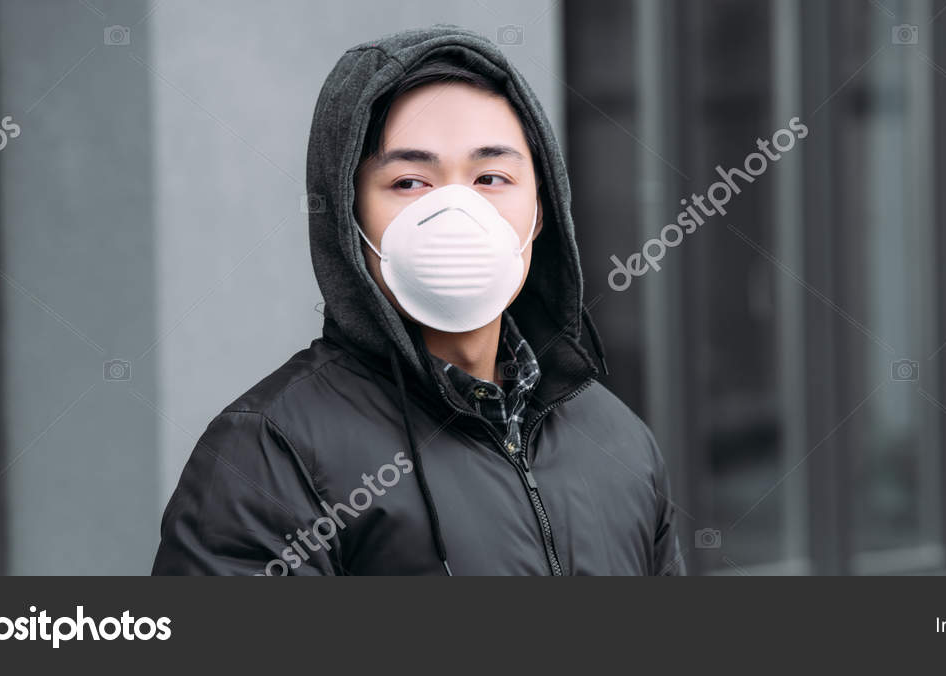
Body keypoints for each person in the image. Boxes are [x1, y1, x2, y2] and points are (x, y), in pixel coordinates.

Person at [152, 26, 683, 575]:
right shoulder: (269, 454)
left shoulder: (618, 442)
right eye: (409, 182)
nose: (458, 214)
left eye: (492, 177)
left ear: (542, 209)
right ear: (348, 216)